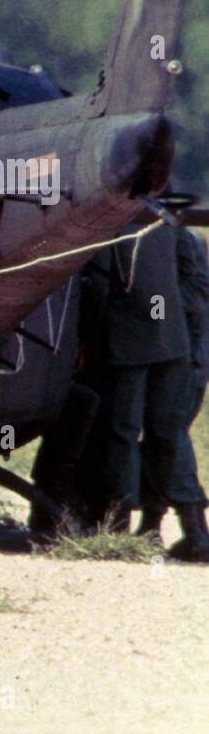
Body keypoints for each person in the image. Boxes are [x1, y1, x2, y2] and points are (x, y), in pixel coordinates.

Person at [86, 222, 209, 555]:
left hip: (132, 343)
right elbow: (193, 289)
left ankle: (120, 524)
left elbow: (97, 290)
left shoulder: (109, 227)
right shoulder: (173, 227)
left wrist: (91, 340)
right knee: (169, 435)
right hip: (175, 344)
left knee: (123, 434)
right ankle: (187, 528)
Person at [137, 225, 209, 561]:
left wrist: (151, 306)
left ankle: (195, 529)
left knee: (168, 436)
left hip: (183, 360)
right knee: (161, 440)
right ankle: (153, 524)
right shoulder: (182, 236)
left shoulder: (181, 238)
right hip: (185, 358)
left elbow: (188, 304)